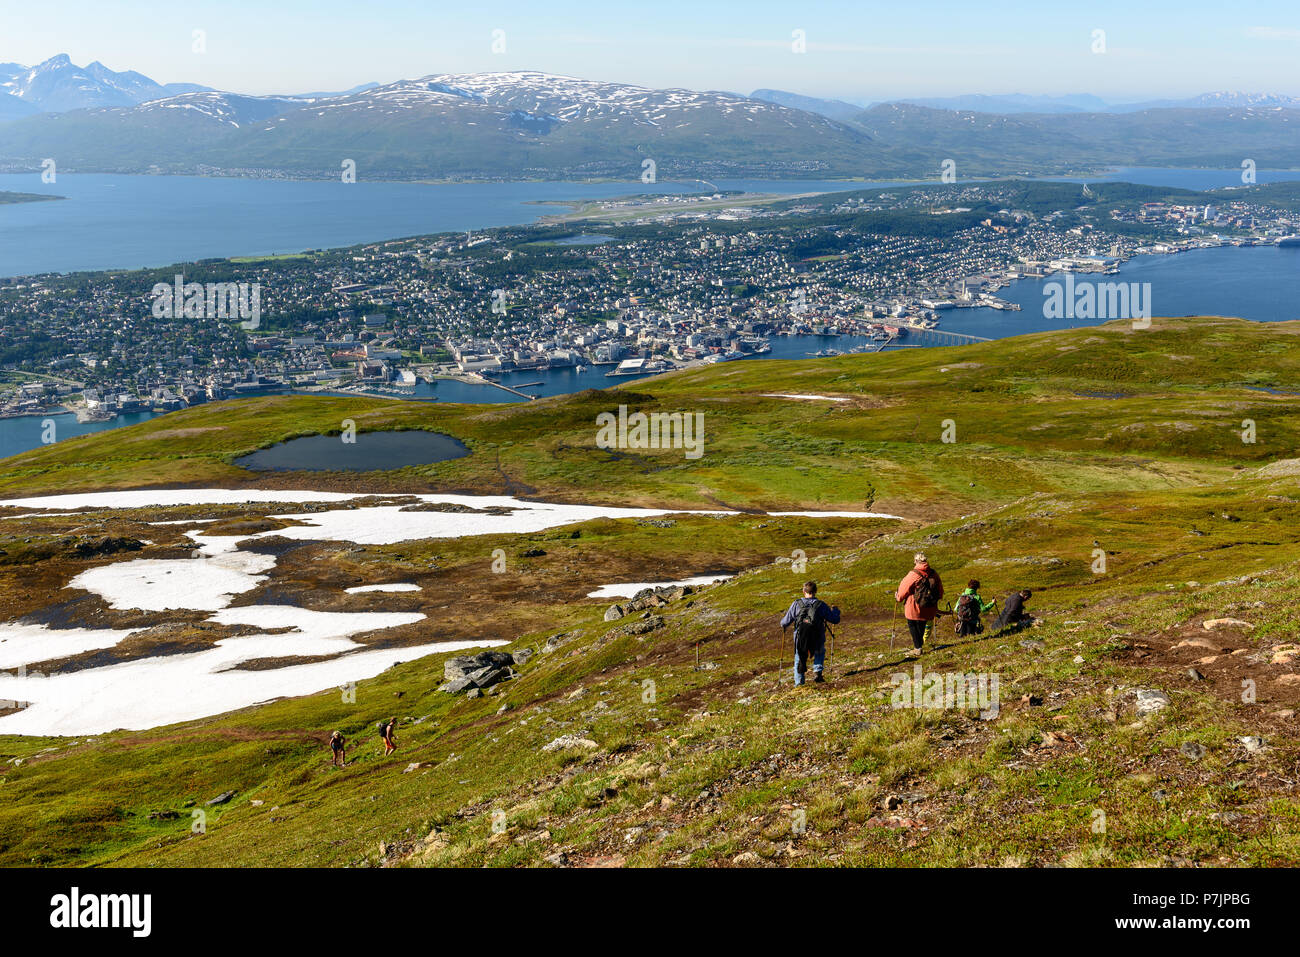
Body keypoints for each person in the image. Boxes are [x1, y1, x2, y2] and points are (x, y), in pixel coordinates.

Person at [780, 581, 841, 686]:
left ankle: (799, 683)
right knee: (819, 652)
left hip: (800, 638)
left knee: (799, 657)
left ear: (804, 591)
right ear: (815, 591)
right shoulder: (821, 605)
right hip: (817, 636)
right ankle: (818, 673)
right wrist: (835, 611)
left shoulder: (796, 604)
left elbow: (784, 622)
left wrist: (783, 624)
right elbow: (834, 619)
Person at [896, 553, 943, 656]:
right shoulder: (933, 573)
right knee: (921, 624)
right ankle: (919, 646)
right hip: (929, 606)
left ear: (917, 561)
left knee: (912, 625)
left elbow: (904, 589)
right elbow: (940, 590)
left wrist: (898, 597)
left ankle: (917, 648)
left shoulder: (913, 574)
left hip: (914, 605)